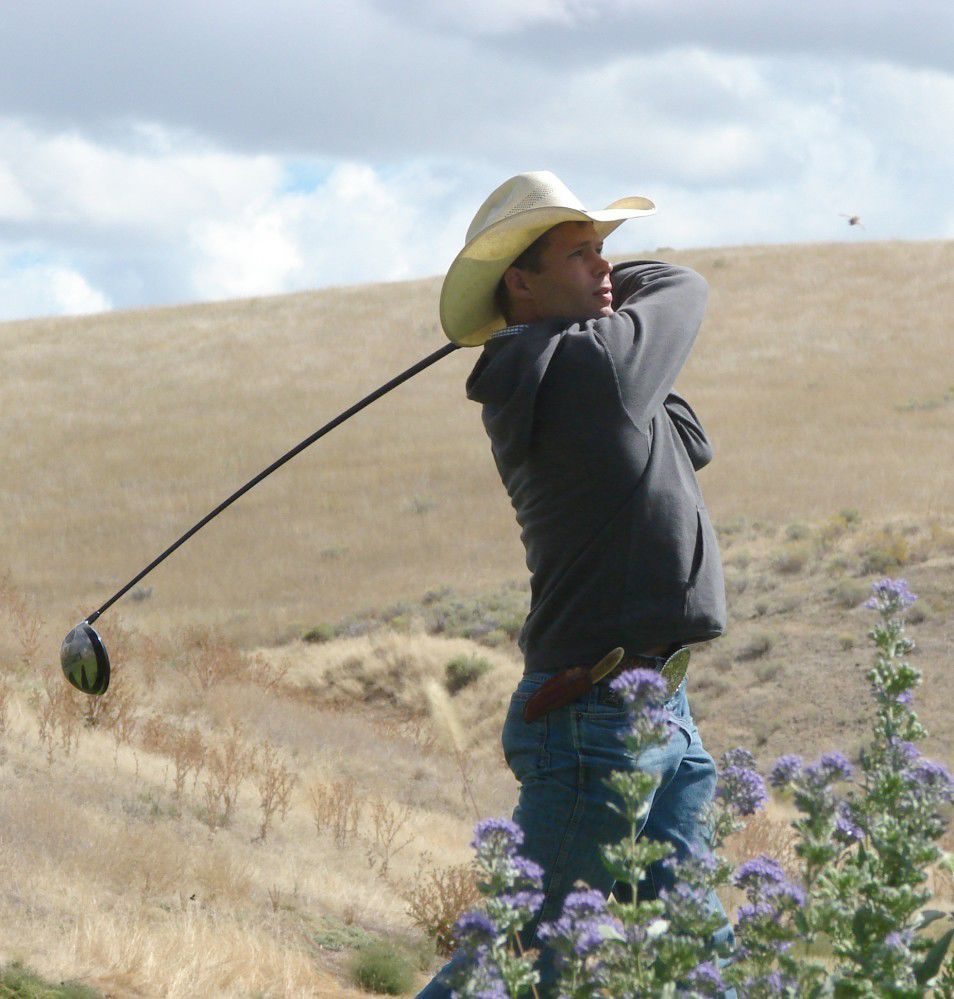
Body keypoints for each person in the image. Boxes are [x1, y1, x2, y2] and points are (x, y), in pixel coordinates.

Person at [417, 171, 732, 997]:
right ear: (518, 282)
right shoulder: (586, 370)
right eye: (579, 251)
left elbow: (688, 437)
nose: (605, 265)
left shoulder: (592, 365)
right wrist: (603, 299)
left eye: (606, 250)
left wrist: (582, 288)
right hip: (594, 719)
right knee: (512, 956)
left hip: (652, 704)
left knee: (700, 950)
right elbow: (682, 284)